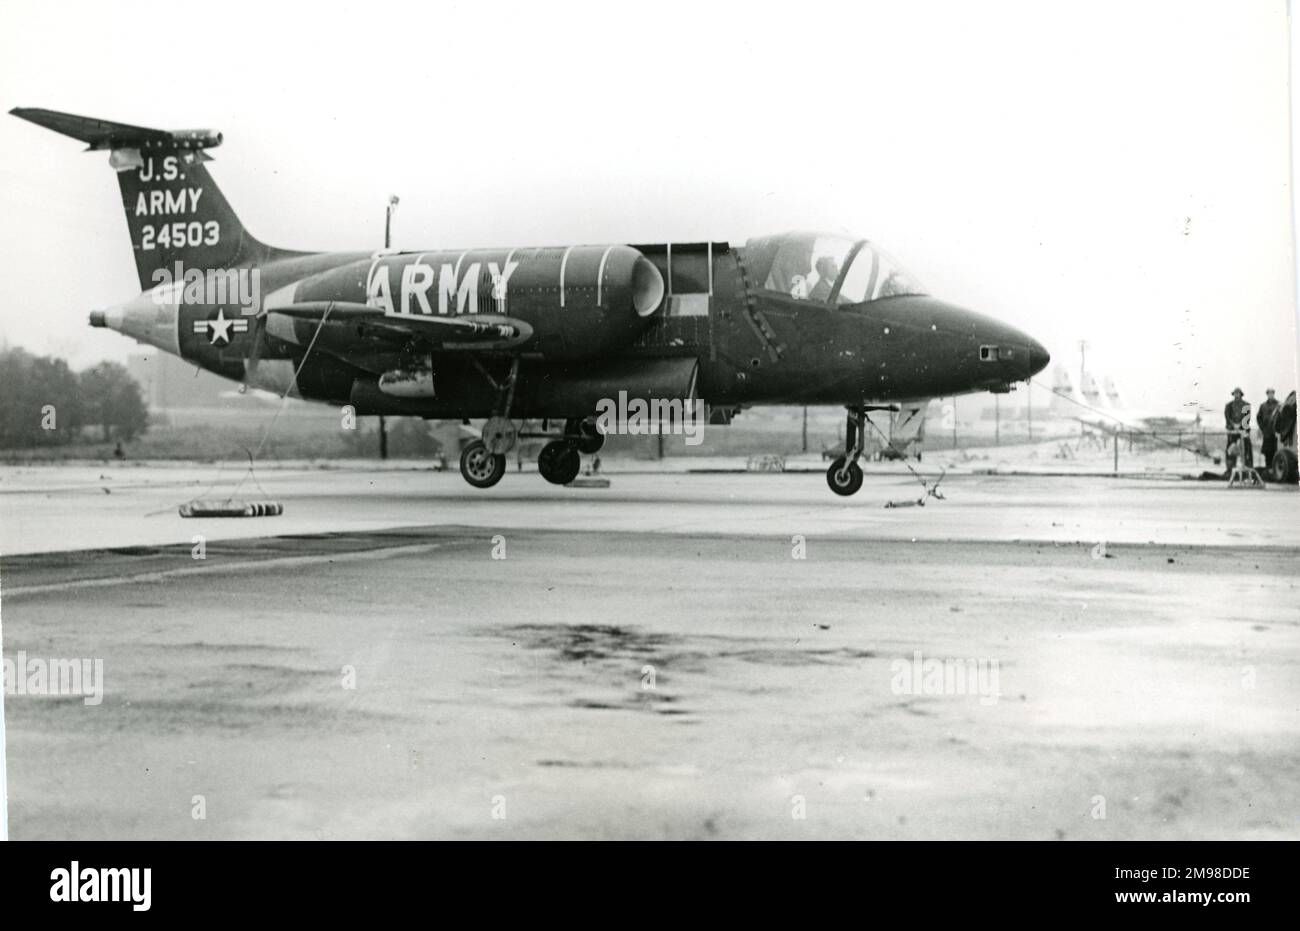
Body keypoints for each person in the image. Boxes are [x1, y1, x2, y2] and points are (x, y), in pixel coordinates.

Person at [1224, 387, 1250, 470]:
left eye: (1238, 393)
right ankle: (1230, 468)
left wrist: (1240, 426)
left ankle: (1246, 467)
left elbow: (1246, 418)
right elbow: (1227, 417)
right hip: (1232, 430)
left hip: (1242, 430)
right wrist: (1233, 425)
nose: (1236, 395)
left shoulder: (1246, 405)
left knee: (1246, 448)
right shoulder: (1229, 405)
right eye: (1235, 393)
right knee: (1230, 448)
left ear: (1241, 394)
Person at [1257, 387, 1280, 475]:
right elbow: (1259, 417)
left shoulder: (1278, 405)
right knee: (1267, 452)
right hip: (1266, 433)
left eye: (1272, 393)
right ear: (1267, 394)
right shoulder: (1263, 406)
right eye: (1269, 393)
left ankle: (1275, 470)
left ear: (1274, 394)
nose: (1270, 395)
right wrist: (1262, 428)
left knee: (1275, 451)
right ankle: (1268, 469)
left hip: (1276, 433)